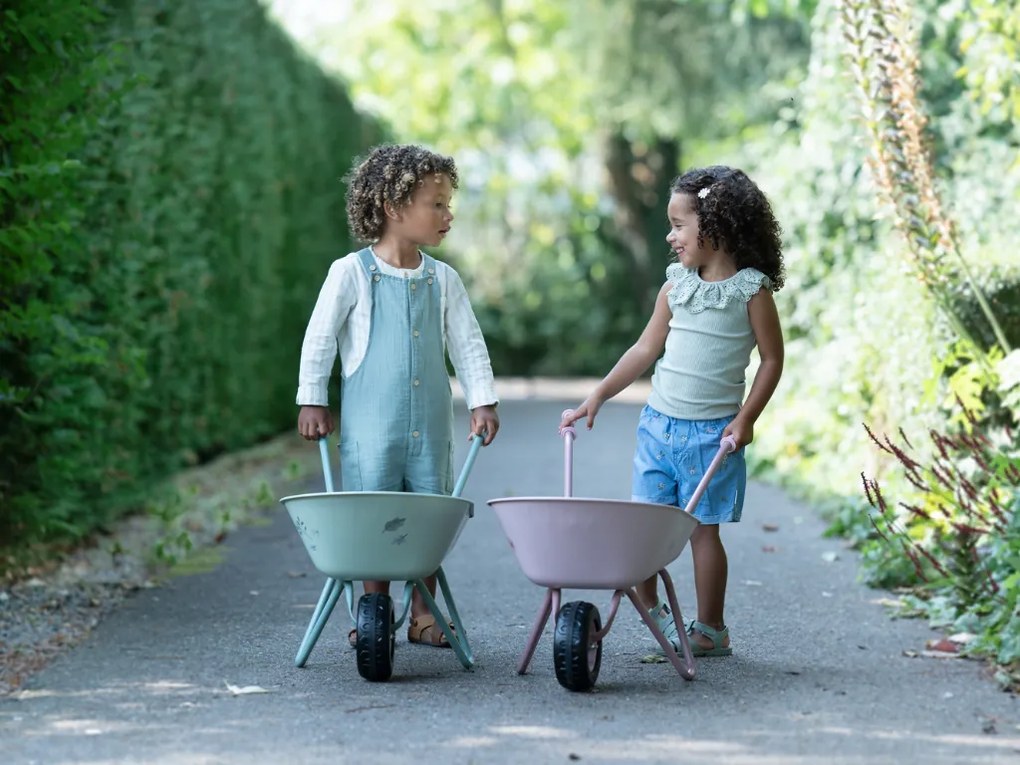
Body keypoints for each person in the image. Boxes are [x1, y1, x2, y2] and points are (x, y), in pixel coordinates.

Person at [559, 165, 784, 657]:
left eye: (679, 224)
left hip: (711, 437)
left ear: (717, 226)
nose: (670, 235)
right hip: (658, 428)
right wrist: (596, 396)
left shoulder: (751, 291)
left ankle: (710, 628)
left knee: (704, 532)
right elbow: (643, 350)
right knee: (645, 522)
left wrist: (746, 419)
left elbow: (772, 360)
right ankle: (653, 610)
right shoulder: (674, 286)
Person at [296, 144, 500, 648]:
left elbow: (467, 343)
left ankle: (425, 616)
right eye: (437, 203)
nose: (448, 215)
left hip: (430, 430)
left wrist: (482, 400)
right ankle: (374, 609)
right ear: (393, 206)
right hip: (372, 432)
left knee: (428, 514)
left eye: (448, 204)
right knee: (372, 516)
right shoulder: (351, 273)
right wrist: (313, 397)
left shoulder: (443, 280)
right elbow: (320, 338)